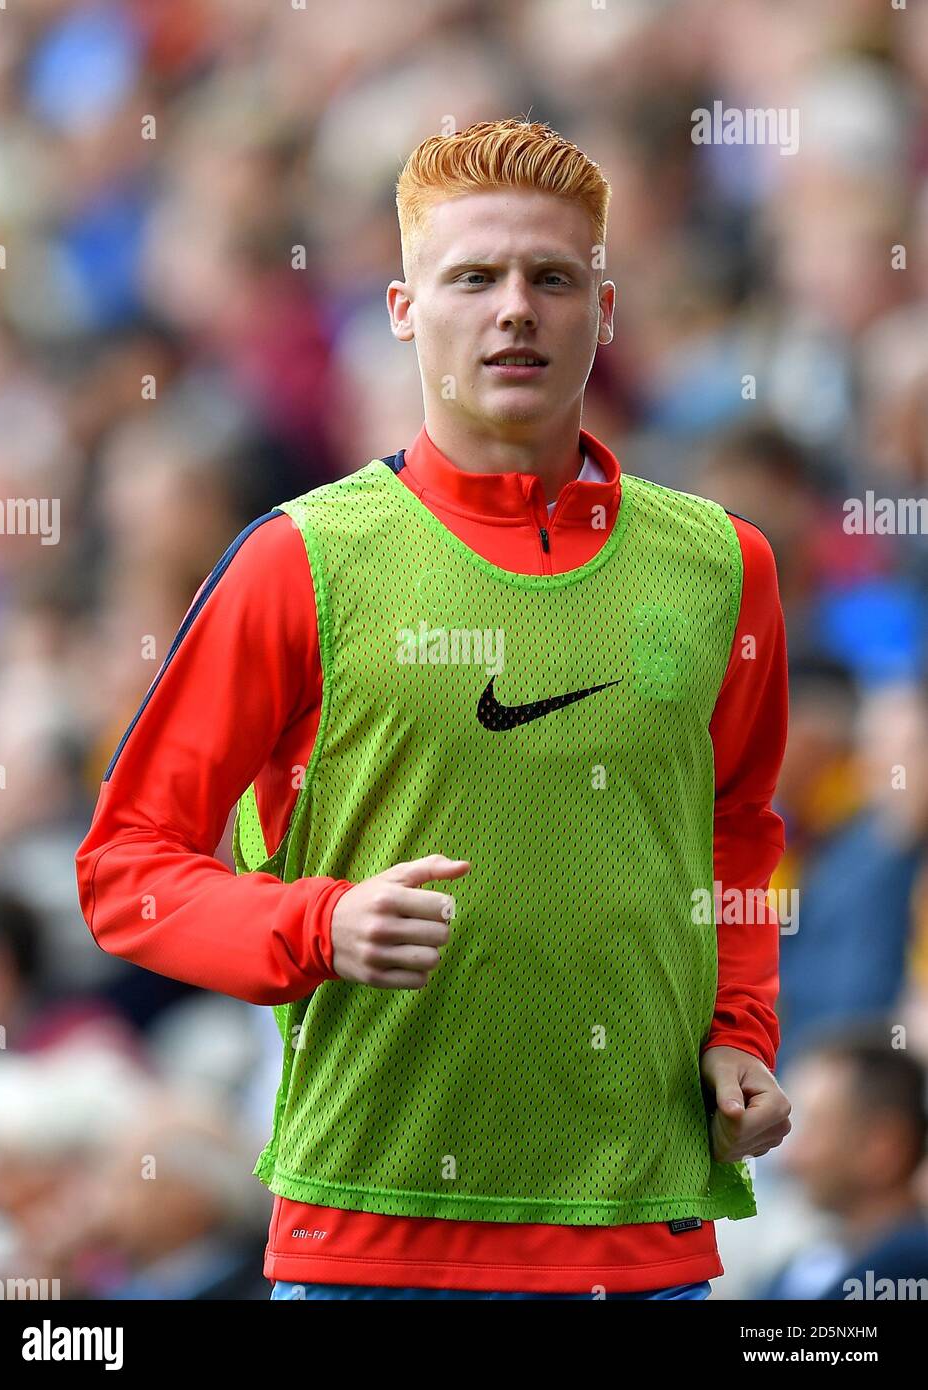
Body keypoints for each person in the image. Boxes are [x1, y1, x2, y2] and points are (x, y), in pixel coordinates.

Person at [75, 117, 792, 1300]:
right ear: (404, 308)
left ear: (602, 312)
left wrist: (739, 1031)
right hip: (370, 1241)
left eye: (551, 278)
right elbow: (123, 869)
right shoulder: (297, 559)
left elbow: (737, 831)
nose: (515, 308)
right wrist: (316, 926)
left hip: (643, 1238)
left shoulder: (724, 566)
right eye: (474, 277)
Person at [758, 1025, 928, 1300]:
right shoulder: (808, 1265)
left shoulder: (908, 1267)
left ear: (882, 1146)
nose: (789, 1160)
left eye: (809, 1129)